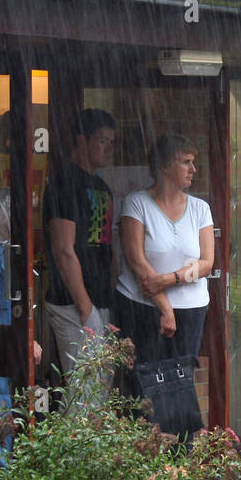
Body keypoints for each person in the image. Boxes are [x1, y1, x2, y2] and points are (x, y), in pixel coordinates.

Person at [115, 134, 215, 373]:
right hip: (142, 307)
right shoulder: (136, 203)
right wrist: (165, 308)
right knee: (143, 383)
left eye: (193, 162)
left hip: (191, 310)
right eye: (185, 162)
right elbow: (136, 261)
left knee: (180, 385)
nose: (193, 169)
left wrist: (170, 278)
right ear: (164, 166)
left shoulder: (201, 209)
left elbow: (206, 264)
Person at [42, 108, 117, 397]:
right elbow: (63, 250)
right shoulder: (64, 184)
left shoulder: (102, 187)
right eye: (102, 141)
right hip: (71, 303)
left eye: (112, 142)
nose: (109, 148)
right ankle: (70, 444)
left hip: (99, 303)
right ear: (82, 141)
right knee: (83, 395)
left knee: (100, 391)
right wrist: (86, 309)